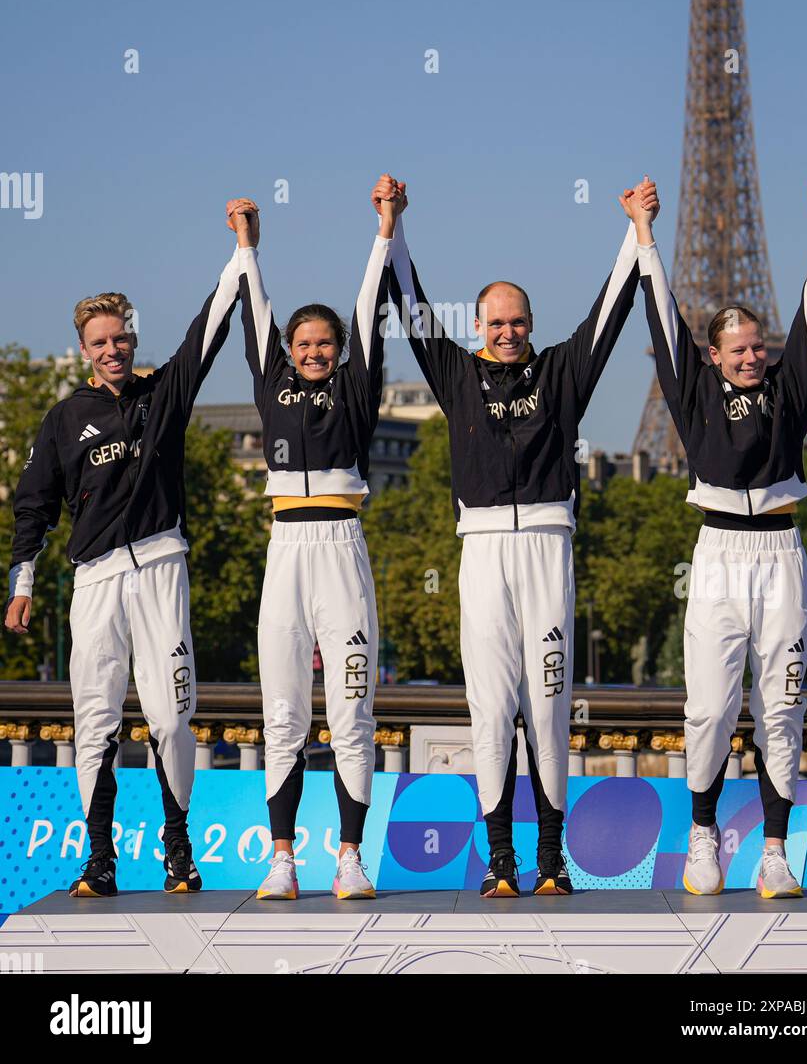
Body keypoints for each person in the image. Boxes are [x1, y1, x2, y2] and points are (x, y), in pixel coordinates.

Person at [386, 175, 653, 896]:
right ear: (480, 328)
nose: (507, 334)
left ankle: (554, 860)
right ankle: (501, 862)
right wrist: (395, 225)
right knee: (490, 704)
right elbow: (409, 309)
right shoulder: (456, 374)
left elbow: (611, 311)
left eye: (517, 323)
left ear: (531, 325)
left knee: (549, 701)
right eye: (495, 325)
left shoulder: (562, 371)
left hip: (546, 544)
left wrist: (636, 228)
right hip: (482, 551)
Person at [5, 235, 244, 896]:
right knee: (96, 722)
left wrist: (240, 252)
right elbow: (34, 505)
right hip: (96, 580)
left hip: (163, 568)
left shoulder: (162, 394)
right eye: (101, 341)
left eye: (122, 338)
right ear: (84, 350)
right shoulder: (62, 420)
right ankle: (99, 859)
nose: (114, 349)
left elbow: (210, 331)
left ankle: (177, 848)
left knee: (170, 718)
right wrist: (22, 583)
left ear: (133, 340)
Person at [629, 174, 807, 897]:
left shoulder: (788, 393)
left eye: (758, 348)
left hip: (780, 554)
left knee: (781, 708)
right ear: (713, 358)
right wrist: (646, 236)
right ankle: (702, 838)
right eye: (738, 350)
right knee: (711, 710)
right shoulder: (692, 397)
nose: (751, 357)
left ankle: (774, 853)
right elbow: (662, 320)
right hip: (718, 557)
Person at [226, 179, 401, 900]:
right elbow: (255, 315)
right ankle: (282, 858)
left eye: (325, 342)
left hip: (341, 550)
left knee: (352, 713)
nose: (315, 351)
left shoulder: (357, 388)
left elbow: (368, 310)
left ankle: (351, 858)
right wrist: (246, 251)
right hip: (284, 555)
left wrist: (384, 233)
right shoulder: (272, 380)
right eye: (304, 343)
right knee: (284, 717)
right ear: (290, 351)